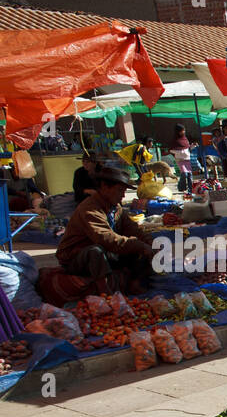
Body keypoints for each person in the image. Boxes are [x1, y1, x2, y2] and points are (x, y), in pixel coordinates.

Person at [46, 165, 154, 305]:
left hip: (106, 251)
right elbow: (105, 238)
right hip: (77, 258)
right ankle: (106, 293)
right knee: (96, 251)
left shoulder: (116, 208)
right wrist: (139, 245)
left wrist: (150, 243)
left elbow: (133, 230)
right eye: (120, 191)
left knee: (139, 248)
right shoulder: (89, 208)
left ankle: (134, 283)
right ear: (104, 187)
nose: (123, 196)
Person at [170, 126, 193, 194]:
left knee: (189, 174)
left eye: (184, 130)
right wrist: (180, 152)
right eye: (181, 131)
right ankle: (181, 187)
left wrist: (193, 146)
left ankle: (190, 189)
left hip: (187, 159)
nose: (183, 132)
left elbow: (188, 148)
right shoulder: (175, 140)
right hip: (180, 160)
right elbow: (171, 150)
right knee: (184, 174)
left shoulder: (185, 139)